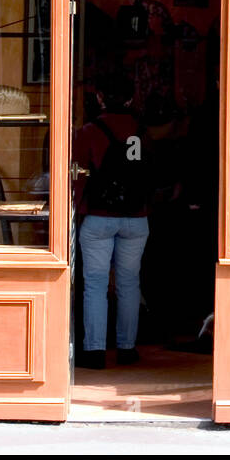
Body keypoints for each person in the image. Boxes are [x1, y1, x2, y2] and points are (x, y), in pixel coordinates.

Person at [72, 74, 150, 370]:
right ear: (131, 99)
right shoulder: (142, 131)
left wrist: (76, 209)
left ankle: (94, 352)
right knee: (129, 283)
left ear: (100, 98)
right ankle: (127, 348)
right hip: (136, 219)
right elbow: (150, 173)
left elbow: (77, 176)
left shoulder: (89, 131)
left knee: (95, 284)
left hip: (99, 219)